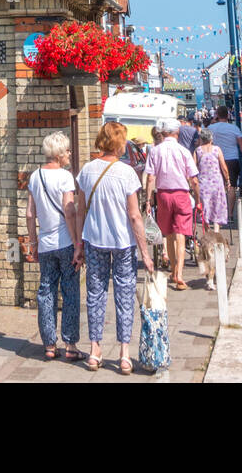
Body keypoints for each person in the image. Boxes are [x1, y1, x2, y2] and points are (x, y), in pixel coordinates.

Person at [75, 121, 154, 374]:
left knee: (95, 294)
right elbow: (134, 216)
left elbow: (80, 210)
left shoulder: (87, 171)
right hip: (122, 242)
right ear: (120, 143)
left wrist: (79, 243)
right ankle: (124, 353)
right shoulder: (126, 173)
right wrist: (145, 253)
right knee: (124, 295)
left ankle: (95, 350)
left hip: (94, 239)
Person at [26, 132, 82, 362]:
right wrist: (77, 243)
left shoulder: (34, 176)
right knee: (70, 293)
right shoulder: (65, 177)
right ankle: (70, 345)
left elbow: (30, 213)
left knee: (46, 292)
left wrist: (33, 242)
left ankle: (49, 344)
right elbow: (69, 211)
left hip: (46, 244)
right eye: (67, 151)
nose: (69, 154)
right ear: (59, 154)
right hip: (65, 243)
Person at [143, 122, 200, 289]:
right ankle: (180, 274)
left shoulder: (155, 151)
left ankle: (173, 270)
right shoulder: (184, 151)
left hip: (163, 195)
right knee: (181, 234)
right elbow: (194, 180)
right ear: (177, 132)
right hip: (181, 194)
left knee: (168, 234)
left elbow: (150, 178)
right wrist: (198, 200)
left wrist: (148, 200)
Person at [210, 106, 242, 214]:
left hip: (216, 159)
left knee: (218, 186)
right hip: (232, 159)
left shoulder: (211, 128)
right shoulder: (234, 128)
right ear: (228, 115)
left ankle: (219, 212)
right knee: (232, 186)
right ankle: (230, 214)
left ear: (217, 115)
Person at [194, 129, 230, 230]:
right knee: (218, 205)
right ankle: (216, 231)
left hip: (203, 183)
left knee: (205, 206)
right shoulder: (217, 149)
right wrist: (227, 180)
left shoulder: (198, 151)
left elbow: (193, 168)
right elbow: (223, 167)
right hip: (216, 182)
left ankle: (207, 231)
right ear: (211, 138)